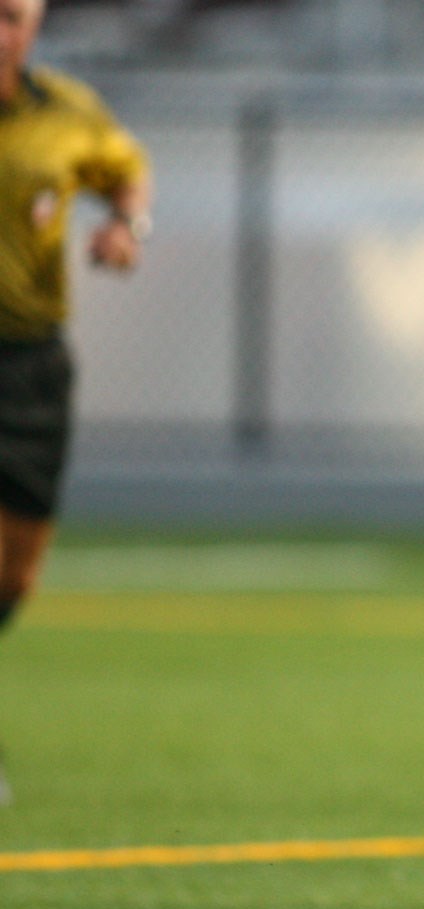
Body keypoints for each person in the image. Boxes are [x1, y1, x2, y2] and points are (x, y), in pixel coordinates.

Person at [0, 0, 151, 803]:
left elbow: (124, 169)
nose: (3, 33)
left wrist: (128, 225)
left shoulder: (65, 112)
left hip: (30, 362)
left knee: (15, 575)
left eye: (15, 18)